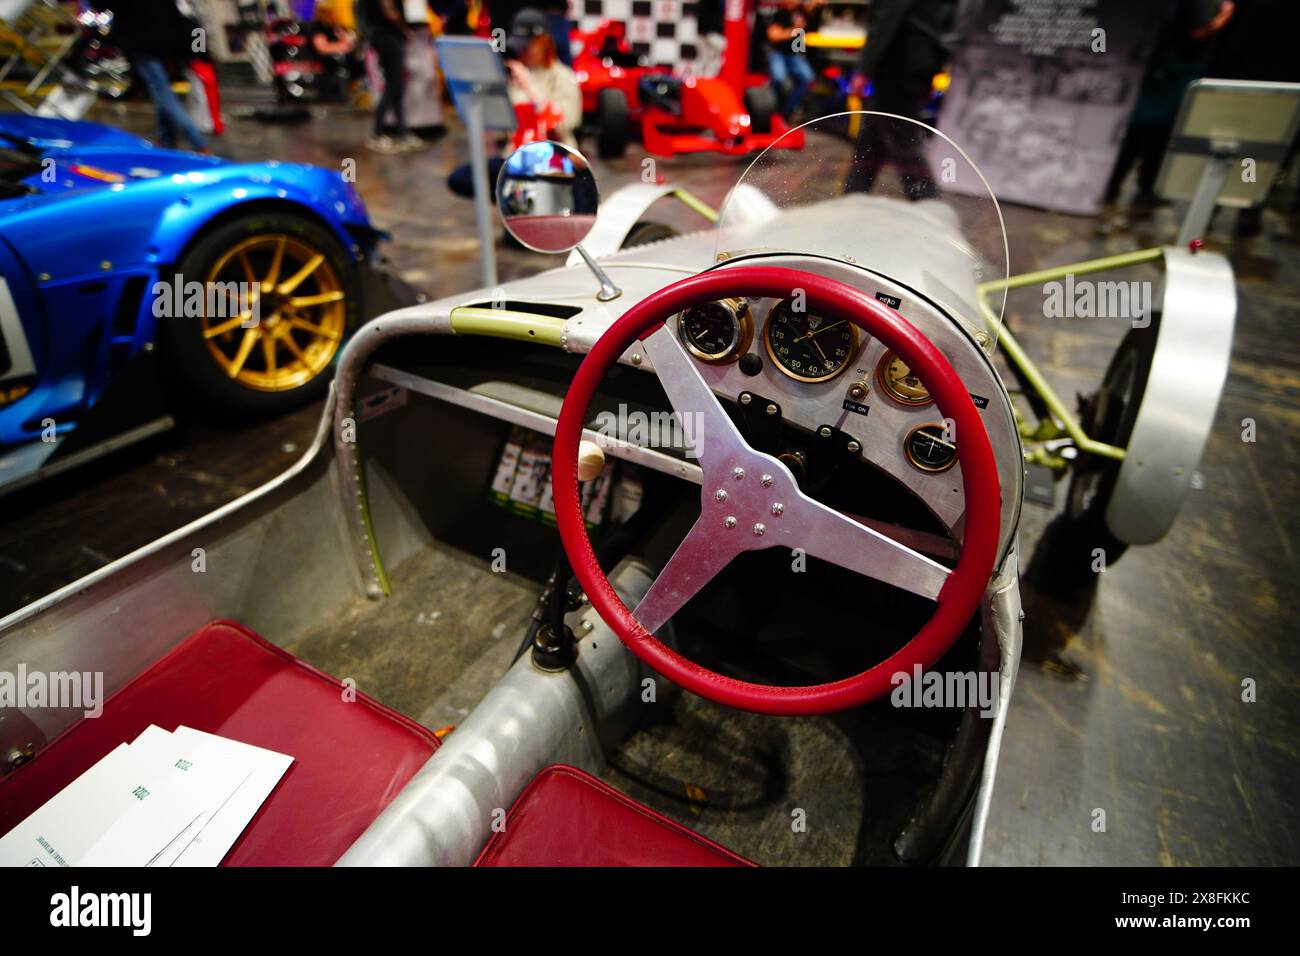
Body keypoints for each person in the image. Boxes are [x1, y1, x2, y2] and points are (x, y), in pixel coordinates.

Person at [1102, 1, 1234, 207]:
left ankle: (1119, 185)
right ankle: (1141, 188)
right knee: (1154, 134)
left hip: (1155, 66)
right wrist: (1225, 16)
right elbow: (1198, 31)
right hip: (1171, 71)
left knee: (1139, 131)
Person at [446, 8, 581, 199]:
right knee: (461, 178)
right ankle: (510, 204)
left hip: (550, 160)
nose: (523, 52)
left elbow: (564, 125)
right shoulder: (515, 76)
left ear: (543, 43)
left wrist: (531, 91)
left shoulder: (562, 77)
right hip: (514, 159)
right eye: (521, 47)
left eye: (528, 46)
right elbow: (502, 129)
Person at [844, 0, 957, 197]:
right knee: (872, 138)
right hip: (917, 62)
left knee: (903, 140)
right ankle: (853, 195)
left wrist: (863, 71)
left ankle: (929, 201)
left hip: (898, 64)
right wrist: (933, 67)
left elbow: (886, 20)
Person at [102, 0, 207, 152]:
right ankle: (166, 140)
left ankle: (198, 143)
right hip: (166, 37)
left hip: (141, 38)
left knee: (163, 93)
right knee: (160, 89)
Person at [356, 0, 421, 153]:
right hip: (388, 36)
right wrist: (404, 30)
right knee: (394, 86)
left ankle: (402, 132)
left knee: (397, 87)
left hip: (382, 36)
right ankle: (377, 133)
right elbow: (390, 11)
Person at [763, 0, 817, 118]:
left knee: (808, 79)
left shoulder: (803, 13)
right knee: (779, 79)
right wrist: (795, 30)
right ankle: (772, 109)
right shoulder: (780, 14)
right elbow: (773, 35)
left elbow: (815, 7)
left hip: (795, 53)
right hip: (778, 52)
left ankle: (787, 110)